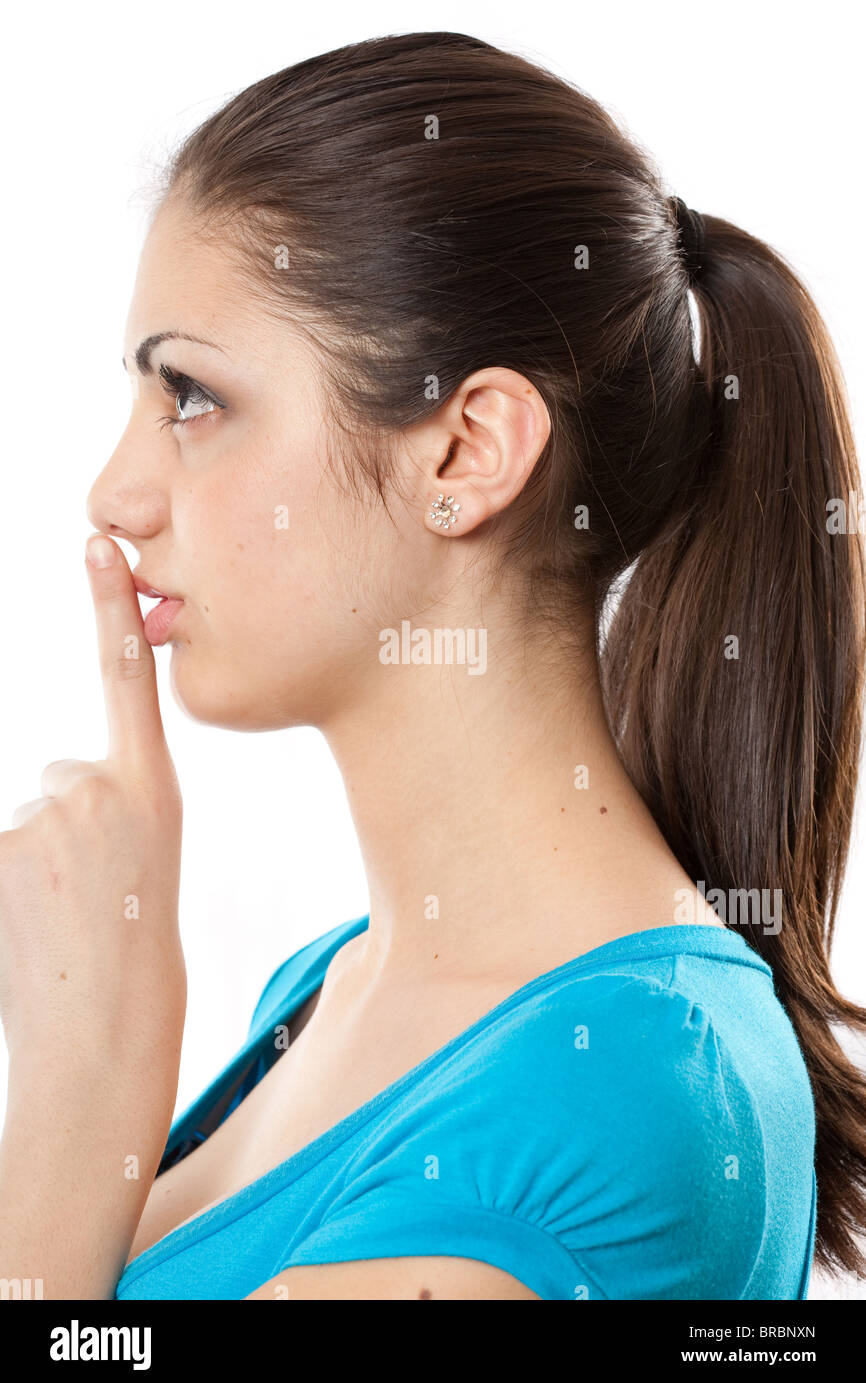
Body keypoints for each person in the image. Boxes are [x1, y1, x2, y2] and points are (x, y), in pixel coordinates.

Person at [1, 31, 864, 1301]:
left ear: (465, 454)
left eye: (190, 395)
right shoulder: (333, 983)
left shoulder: (623, 1088)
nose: (114, 493)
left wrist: (82, 1094)